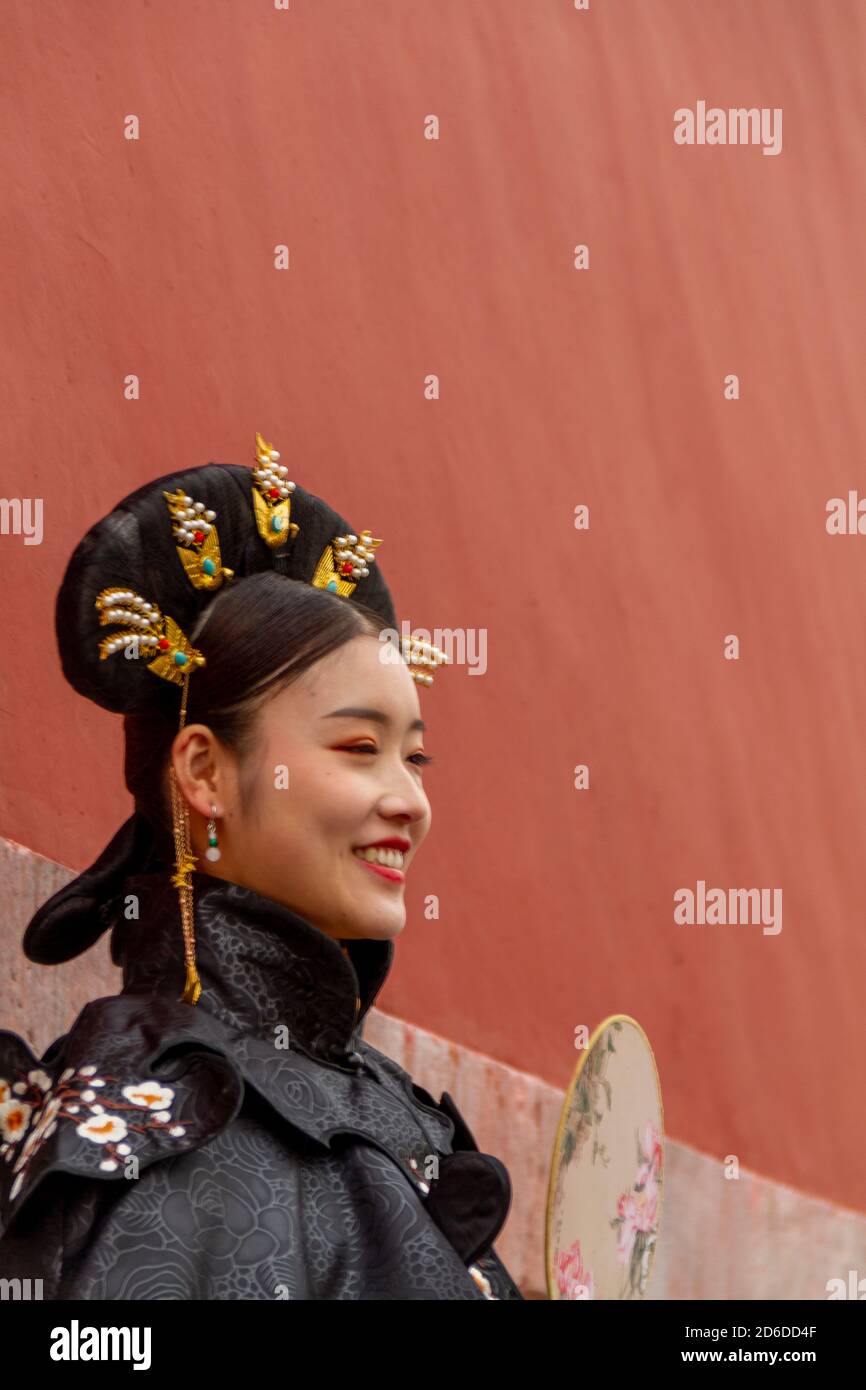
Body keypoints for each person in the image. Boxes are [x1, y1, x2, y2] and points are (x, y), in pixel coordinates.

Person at [0, 436, 523, 1300]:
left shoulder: (384, 1105)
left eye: (415, 759)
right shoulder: (162, 1124)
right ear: (204, 772)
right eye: (360, 748)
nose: (409, 803)